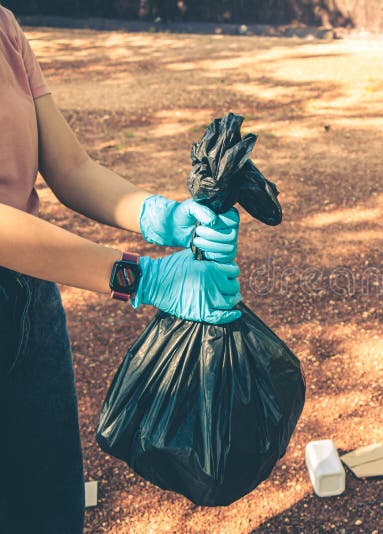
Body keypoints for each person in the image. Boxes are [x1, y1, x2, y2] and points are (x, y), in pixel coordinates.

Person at [0, 5, 242, 532]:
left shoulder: (4, 29)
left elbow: (71, 167)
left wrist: (163, 217)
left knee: (50, 503)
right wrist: (145, 278)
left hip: (31, 301)